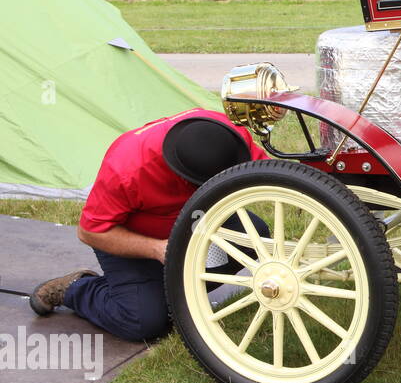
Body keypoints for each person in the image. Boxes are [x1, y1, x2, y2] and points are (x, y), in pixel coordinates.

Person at [30, 110, 270, 342]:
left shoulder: (226, 136)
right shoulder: (126, 169)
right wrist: (157, 249)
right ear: (179, 173)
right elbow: (90, 231)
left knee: (253, 238)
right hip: (136, 239)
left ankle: (167, 293)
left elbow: (274, 175)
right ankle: (77, 288)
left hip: (197, 220)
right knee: (141, 322)